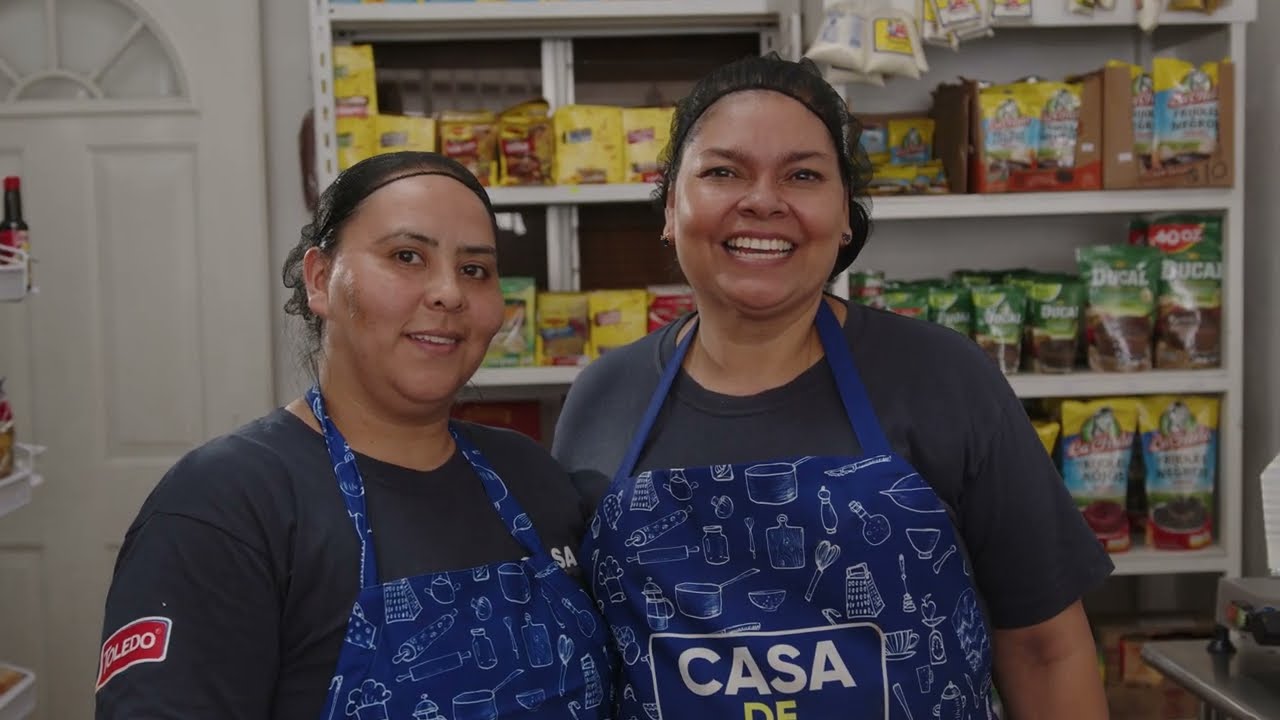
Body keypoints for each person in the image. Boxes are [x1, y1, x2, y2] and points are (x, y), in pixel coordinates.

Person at [554, 55, 1112, 719]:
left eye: (803, 174)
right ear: (671, 205)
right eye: (724, 171)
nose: (762, 200)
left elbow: (1047, 651)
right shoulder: (602, 398)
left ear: (845, 215)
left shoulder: (947, 381)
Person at [96, 152, 614, 720]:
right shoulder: (225, 505)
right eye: (407, 256)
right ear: (321, 281)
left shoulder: (529, 475)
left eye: (475, 270)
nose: (449, 293)